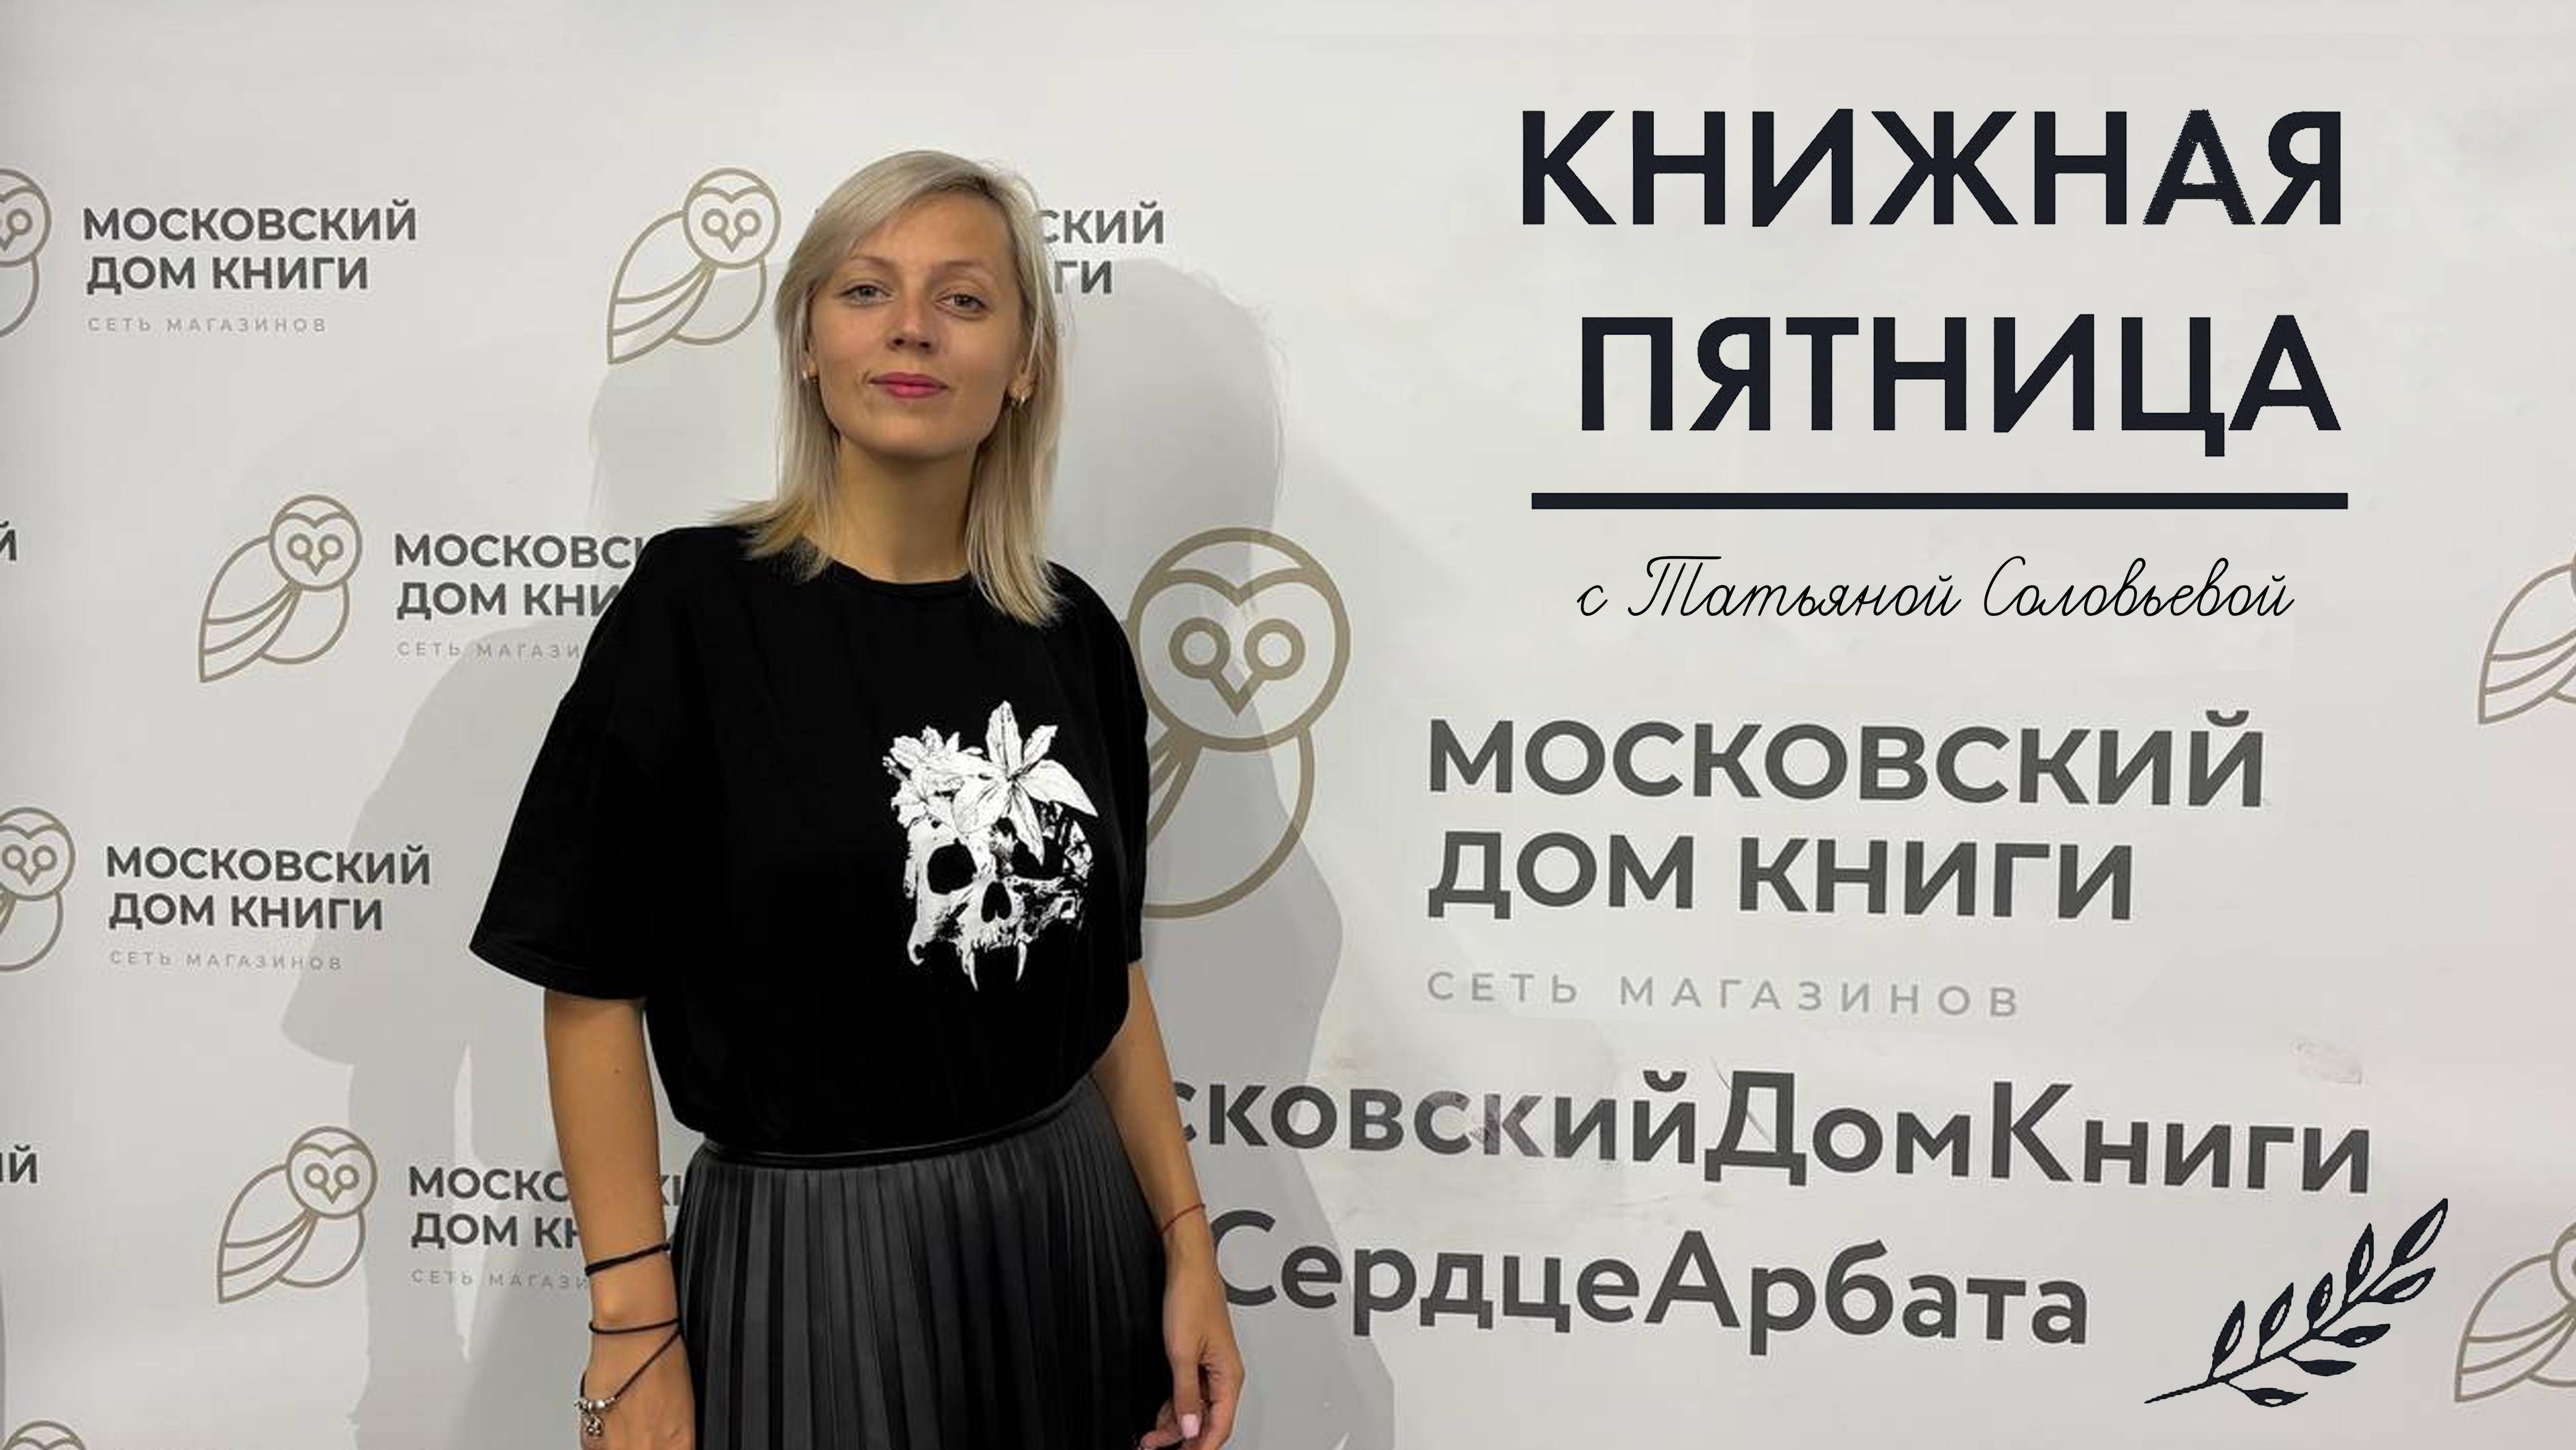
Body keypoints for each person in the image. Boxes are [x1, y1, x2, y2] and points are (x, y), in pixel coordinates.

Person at [466, 149, 1245, 1449]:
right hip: (812, 1262)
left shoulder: (1072, 636)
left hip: (1071, 1234)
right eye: (866, 290)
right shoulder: (694, 612)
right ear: (807, 345)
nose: (911, 329)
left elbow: (1102, 974)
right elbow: (590, 983)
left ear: (1025, 364)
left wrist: (1186, 1243)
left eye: (964, 299)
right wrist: (632, 1327)